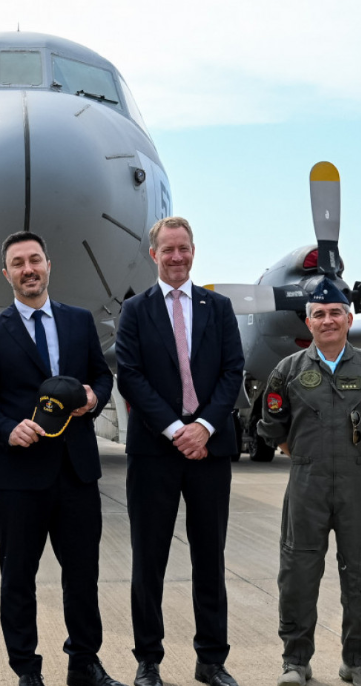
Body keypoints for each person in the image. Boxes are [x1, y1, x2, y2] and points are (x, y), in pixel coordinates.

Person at [0, 232, 122, 686]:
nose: (28, 269)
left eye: (35, 260)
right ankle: (26, 669)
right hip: (19, 475)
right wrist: (6, 429)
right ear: (7, 274)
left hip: (76, 471)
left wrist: (95, 395)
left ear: (49, 265)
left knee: (83, 576)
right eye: (18, 263)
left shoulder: (79, 321)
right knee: (18, 578)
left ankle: (84, 662)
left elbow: (100, 373)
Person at [115, 217, 245, 686]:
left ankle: (211, 659)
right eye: (167, 250)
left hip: (209, 450)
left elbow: (234, 369)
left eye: (183, 249)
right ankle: (148, 659)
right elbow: (129, 374)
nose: (176, 257)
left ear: (194, 251)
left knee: (210, 558)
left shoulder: (219, 307)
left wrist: (205, 427)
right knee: (148, 560)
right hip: (154, 451)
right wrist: (175, 429)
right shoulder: (134, 311)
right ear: (154, 254)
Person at [257, 280, 361, 686]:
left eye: (335, 312)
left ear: (349, 319)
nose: (328, 320)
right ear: (309, 321)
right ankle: (295, 661)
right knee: (298, 573)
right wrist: (306, 456)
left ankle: (357, 662)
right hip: (307, 482)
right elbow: (274, 428)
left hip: (357, 482)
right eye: (319, 314)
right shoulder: (288, 370)